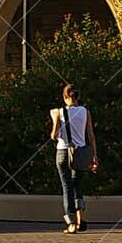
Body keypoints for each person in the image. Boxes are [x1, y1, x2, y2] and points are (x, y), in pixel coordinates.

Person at [49, 84, 97, 233]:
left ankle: (70, 223)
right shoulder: (85, 112)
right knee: (77, 185)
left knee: (66, 186)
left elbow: (53, 136)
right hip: (80, 153)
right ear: (77, 97)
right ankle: (80, 219)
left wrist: (55, 120)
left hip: (63, 151)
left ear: (65, 97)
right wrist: (94, 156)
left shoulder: (59, 112)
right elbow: (91, 136)